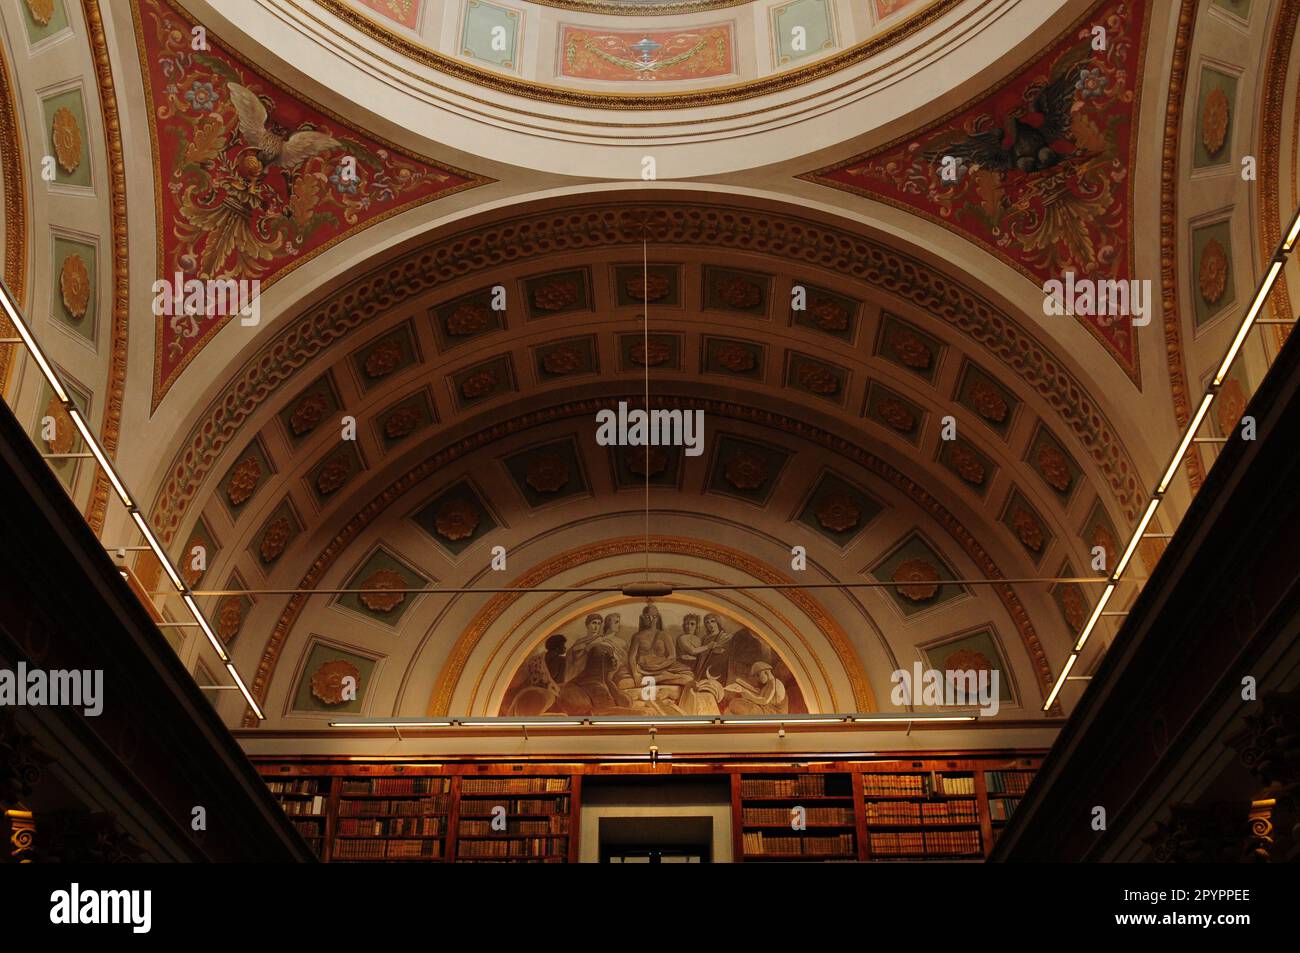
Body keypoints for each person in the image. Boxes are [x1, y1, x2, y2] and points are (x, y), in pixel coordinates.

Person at [723, 661, 788, 715]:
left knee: (735, 704)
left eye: (758, 675)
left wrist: (748, 695)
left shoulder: (774, 683)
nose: (757, 678)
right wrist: (744, 690)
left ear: (766, 672)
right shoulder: (769, 684)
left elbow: (764, 701)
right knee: (734, 703)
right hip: (765, 710)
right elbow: (760, 697)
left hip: (772, 713)